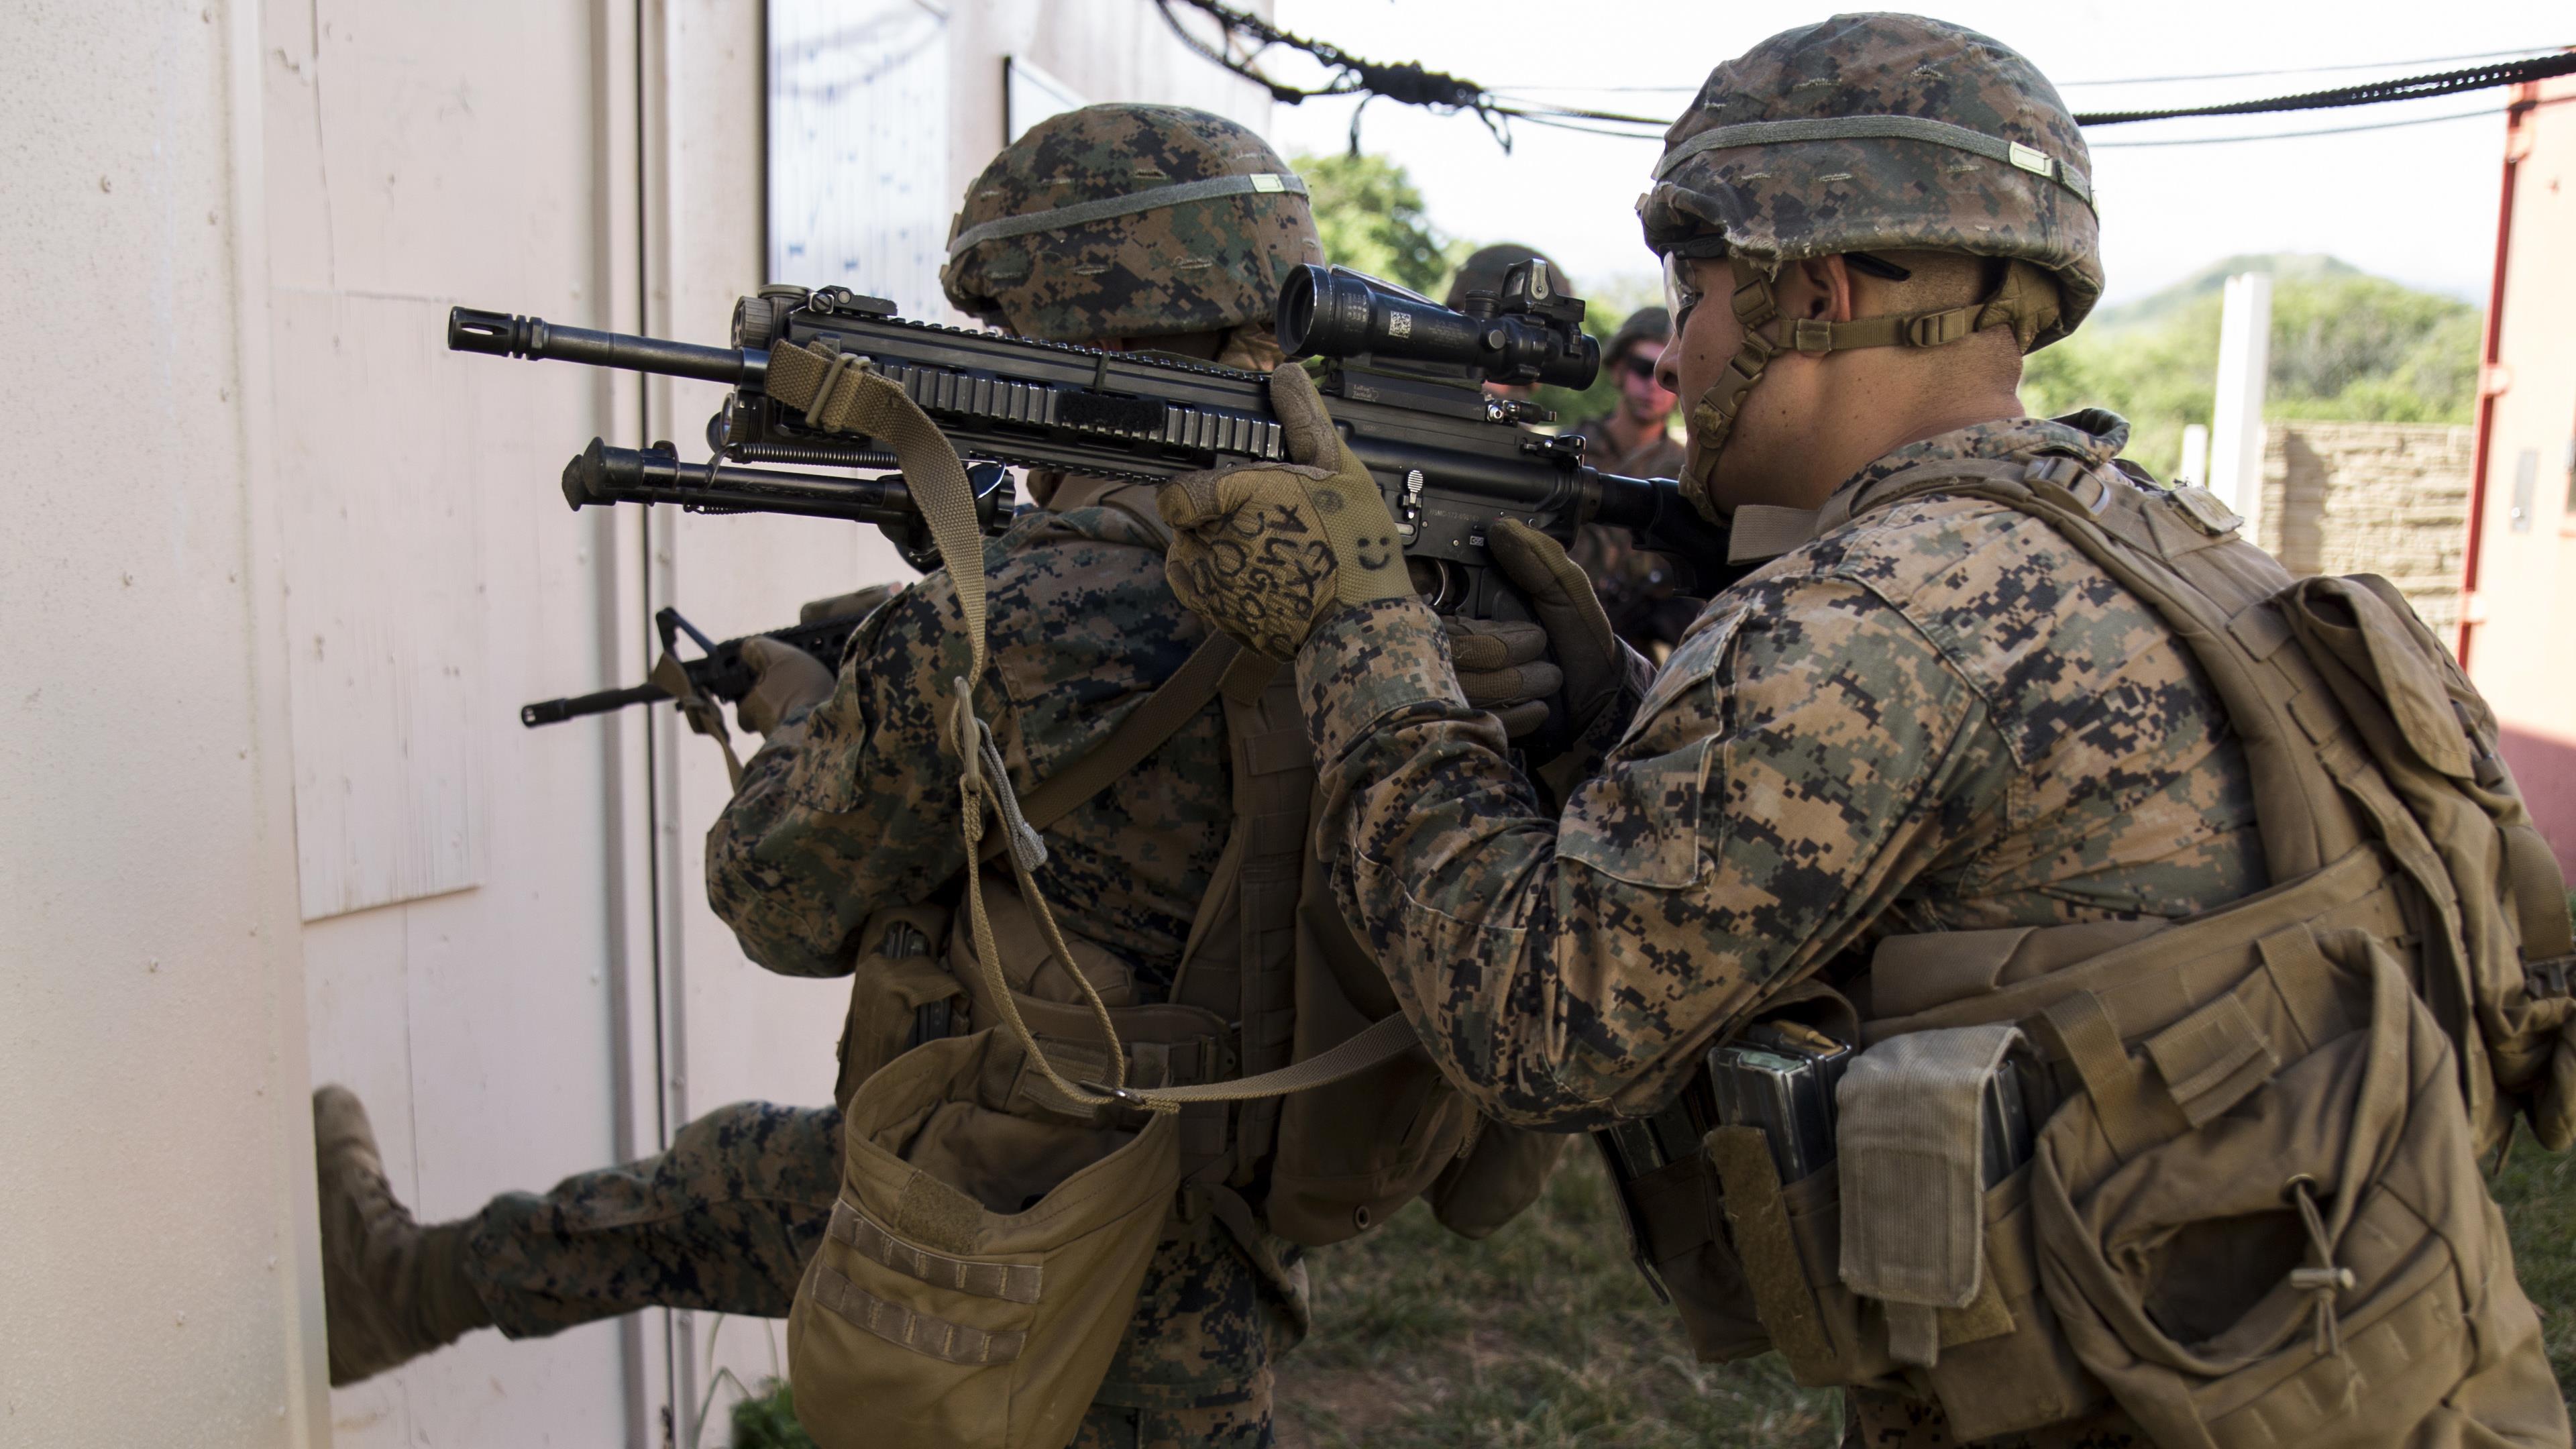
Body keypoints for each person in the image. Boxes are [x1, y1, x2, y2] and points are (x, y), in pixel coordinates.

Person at [1154, 15, 2571, 1448]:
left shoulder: (1872, 617)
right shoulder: (2170, 544)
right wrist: (1618, 724)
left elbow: (1539, 1025)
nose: (1682, 341)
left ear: (1812, 294)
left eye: (1691, 286)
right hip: (2385, 1372)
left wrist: (1358, 638)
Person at [314, 102, 1558, 1446]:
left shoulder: (1010, 623)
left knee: (736, 1191)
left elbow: (775, 898)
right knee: (730, 1181)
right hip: (1243, 1191)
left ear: (1078, 325)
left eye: (1008, 329)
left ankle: (401, 1286)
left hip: (1025, 1216)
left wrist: (803, 709)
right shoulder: (1399, 551)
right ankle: (403, 1287)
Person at [1564, 305, 1695, 653]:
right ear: (1619, 369)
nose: (1653, 386)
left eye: (1670, 375)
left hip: (1633, 654)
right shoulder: (1564, 453)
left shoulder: (1691, 476)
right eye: (1642, 369)